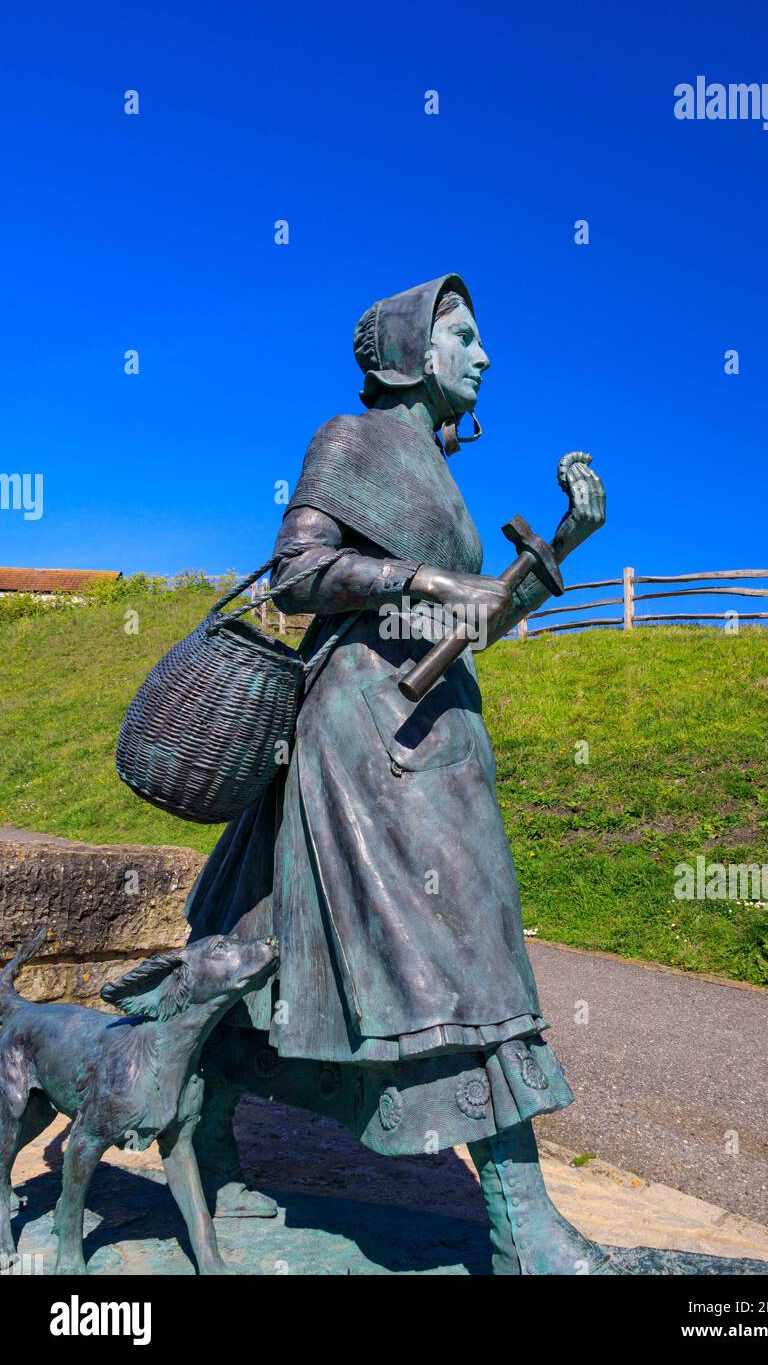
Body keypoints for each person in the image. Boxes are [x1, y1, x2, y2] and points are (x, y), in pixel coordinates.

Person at [187, 274, 612, 1274]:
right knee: (453, 954)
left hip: (440, 733)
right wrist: (419, 577)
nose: (484, 354)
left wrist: (563, 542)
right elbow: (295, 576)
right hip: (363, 732)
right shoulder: (350, 438)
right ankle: (523, 1224)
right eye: (463, 335)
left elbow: (476, 619)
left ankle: (520, 1221)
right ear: (409, 352)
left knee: (414, 953)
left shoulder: (440, 472)